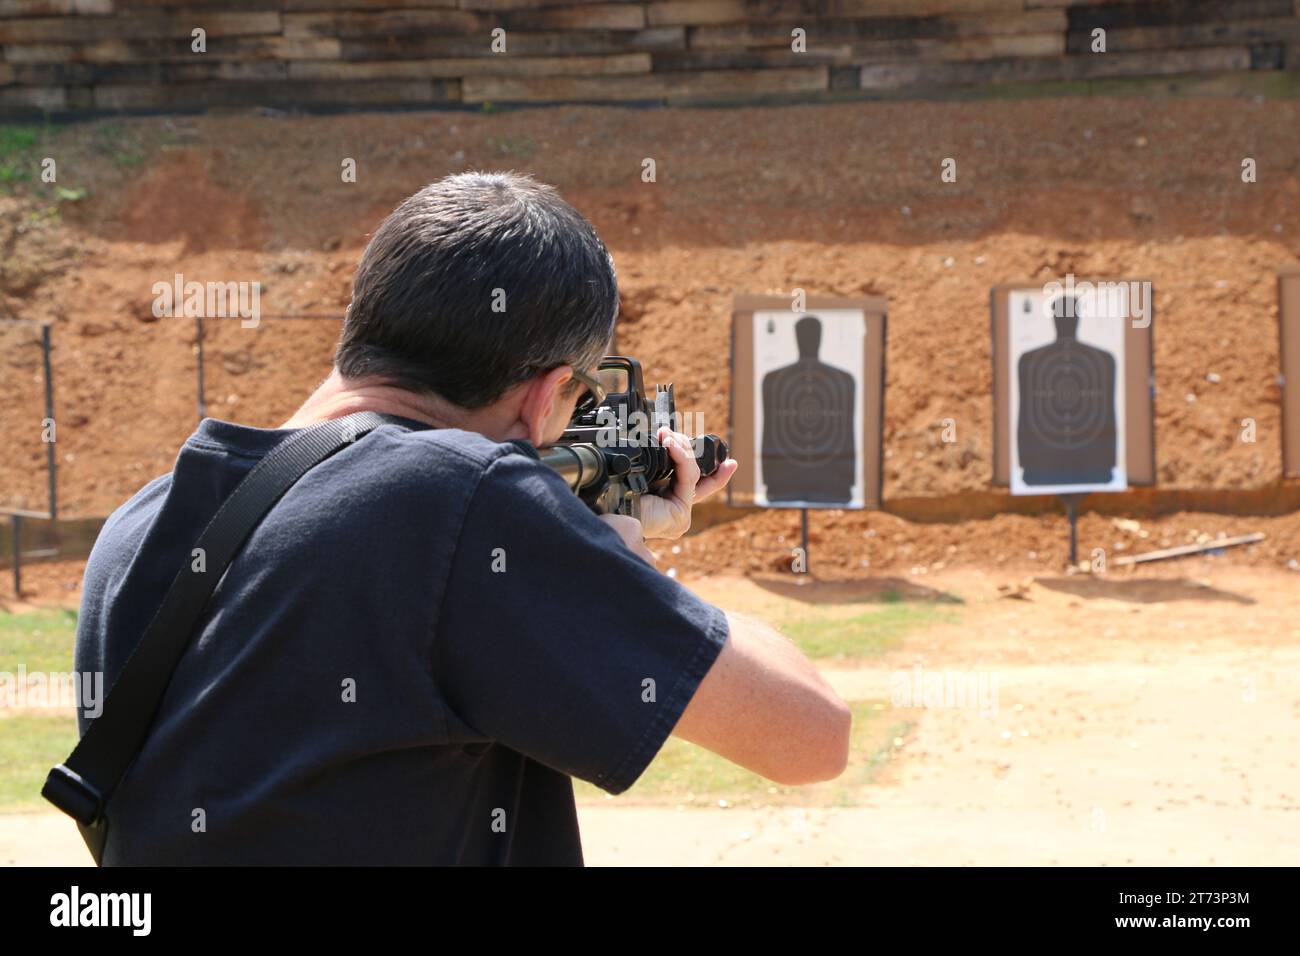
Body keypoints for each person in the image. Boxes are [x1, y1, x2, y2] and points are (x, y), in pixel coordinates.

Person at [74, 171, 850, 865]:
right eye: (574, 405)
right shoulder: (462, 497)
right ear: (544, 396)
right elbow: (811, 735)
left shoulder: (140, 524)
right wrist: (625, 557)